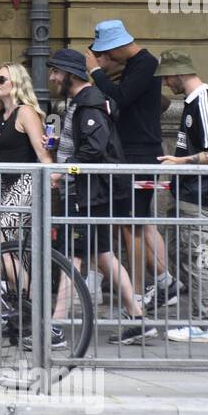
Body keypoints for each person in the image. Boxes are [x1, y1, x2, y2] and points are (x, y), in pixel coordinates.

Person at [44, 48, 147, 347]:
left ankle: (56, 326)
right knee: (102, 253)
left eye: (56, 72)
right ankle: (137, 317)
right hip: (90, 192)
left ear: (71, 75)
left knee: (72, 256)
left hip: (85, 192)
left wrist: (62, 172)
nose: (51, 77)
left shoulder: (87, 103)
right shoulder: (85, 101)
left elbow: (94, 148)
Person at [84, 20, 178, 305]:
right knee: (131, 223)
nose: (108, 59)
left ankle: (137, 294)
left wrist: (96, 72)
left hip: (140, 154)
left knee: (132, 227)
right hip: (131, 152)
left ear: (116, 46)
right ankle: (164, 282)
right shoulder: (137, 66)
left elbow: (122, 97)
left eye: (108, 53)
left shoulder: (145, 64)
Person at [154, 50, 208, 344]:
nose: (165, 84)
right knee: (182, 254)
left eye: (166, 77)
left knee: (197, 259)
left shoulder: (203, 103)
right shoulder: (196, 102)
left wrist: (181, 162)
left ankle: (202, 323)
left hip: (200, 196)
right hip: (190, 194)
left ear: (177, 73)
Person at [0, 62, 53, 241]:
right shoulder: (1, 114)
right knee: (14, 247)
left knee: (1, 240)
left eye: (2, 79)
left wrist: (51, 180)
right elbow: (2, 156)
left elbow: (43, 154)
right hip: (6, 184)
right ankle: (22, 271)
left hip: (25, 184)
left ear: (17, 83)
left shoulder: (25, 112)